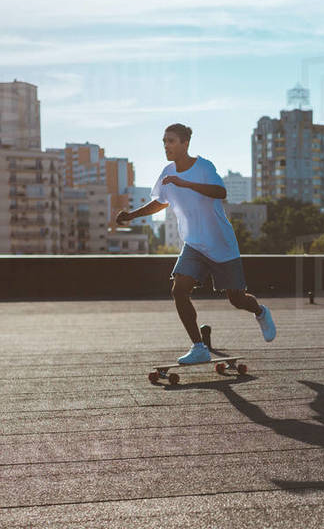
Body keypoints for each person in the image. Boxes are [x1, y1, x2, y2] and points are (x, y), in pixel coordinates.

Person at [116, 123, 275, 364]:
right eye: (164, 141)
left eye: (171, 141)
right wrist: (131, 215)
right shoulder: (166, 171)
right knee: (179, 290)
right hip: (194, 244)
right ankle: (198, 346)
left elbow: (220, 192)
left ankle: (261, 312)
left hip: (221, 243)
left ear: (185, 143)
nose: (166, 146)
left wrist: (186, 184)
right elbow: (160, 202)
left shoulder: (204, 167)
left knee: (236, 298)